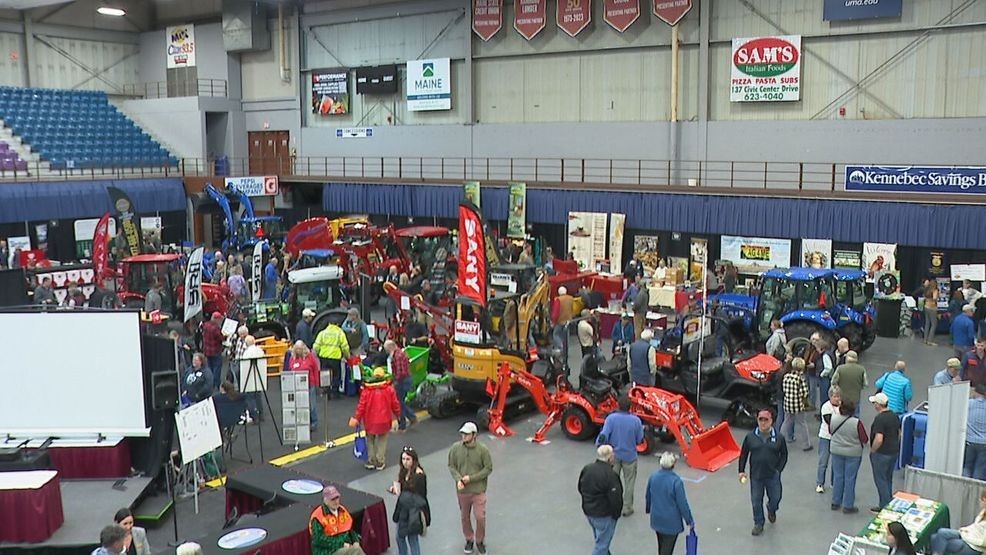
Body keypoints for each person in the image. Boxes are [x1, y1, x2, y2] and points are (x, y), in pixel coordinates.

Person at [738, 409, 788, 536]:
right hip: (756, 476)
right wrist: (741, 471)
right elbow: (743, 454)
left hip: (772, 475)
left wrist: (779, 469)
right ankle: (758, 523)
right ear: (757, 420)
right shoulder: (750, 437)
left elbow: (784, 454)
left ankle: (771, 509)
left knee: (776, 497)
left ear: (772, 421)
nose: (763, 422)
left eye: (766, 419)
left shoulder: (779, 437)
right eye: (761, 419)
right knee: (756, 501)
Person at [448, 422, 493, 554]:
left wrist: (471, 478)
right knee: (464, 517)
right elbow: (451, 465)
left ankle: (479, 540)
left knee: (480, 517)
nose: (463, 436)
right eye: (462, 433)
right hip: (463, 491)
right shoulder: (455, 448)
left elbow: (488, 468)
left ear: (474, 435)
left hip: (478, 490)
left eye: (467, 434)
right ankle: (469, 539)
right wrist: (458, 479)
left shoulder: (483, 450)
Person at [595, 395, 644, 516]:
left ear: (618, 405)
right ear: (630, 407)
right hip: (630, 456)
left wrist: (599, 444)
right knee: (629, 482)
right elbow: (640, 440)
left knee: (612, 482)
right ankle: (627, 507)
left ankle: (611, 505)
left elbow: (604, 435)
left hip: (614, 456)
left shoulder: (611, 419)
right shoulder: (636, 421)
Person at [349, 368, 400, 470]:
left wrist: (356, 418)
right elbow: (395, 404)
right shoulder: (389, 389)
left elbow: (361, 406)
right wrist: (397, 416)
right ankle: (380, 461)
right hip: (385, 420)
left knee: (370, 440)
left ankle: (371, 461)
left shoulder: (366, 391)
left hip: (370, 421)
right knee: (382, 440)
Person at [646, 452, 695, 555]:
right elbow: (683, 504)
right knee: (667, 549)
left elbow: (648, 495)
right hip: (671, 522)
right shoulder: (676, 482)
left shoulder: (653, 477)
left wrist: (648, 508)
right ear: (673, 464)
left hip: (657, 518)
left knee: (661, 545)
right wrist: (689, 520)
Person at [578, 444, 624, 555]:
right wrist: (616, 514)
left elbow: (580, 487)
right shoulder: (611, 475)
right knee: (602, 545)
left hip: (589, 512)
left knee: (600, 540)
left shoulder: (587, 469)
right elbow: (616, 498)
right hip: (604, 514)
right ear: (609, 458)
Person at [829, 401, 868, 514]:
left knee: (838, 476)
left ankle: (835, 502)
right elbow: (864, 438)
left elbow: (831, 431)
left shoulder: (834, 419)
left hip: (836, 451)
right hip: (853, 454)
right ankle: (848, 505)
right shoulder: (857, 423)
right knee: (850, 479)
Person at [390, 446, 430, 555]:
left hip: (413, 512)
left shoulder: (419, 476)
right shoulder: (404, 472)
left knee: (412, 539)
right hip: (403, 509)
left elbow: (420, 497)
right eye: (403, 459)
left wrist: (402, 493)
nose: (405, 462)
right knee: (399, 537)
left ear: (414, 460)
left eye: (408, 459)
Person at [310, 485, 365, 555]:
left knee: (356, 548)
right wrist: (341, 544)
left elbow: (350, 529)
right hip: (328, 551)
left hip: (346, 546)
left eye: (337, 498)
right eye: (332, 499)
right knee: (355, 551)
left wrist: (356, 541)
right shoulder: (318, 516)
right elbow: (318, 540)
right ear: (326, 501)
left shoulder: (342, 510)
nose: (336, 502)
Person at [869, 392, 901, 511]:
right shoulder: (894, 416)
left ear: (878, 405)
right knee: (888, 478)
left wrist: (873, 450)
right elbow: (899, 433)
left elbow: (879, 438)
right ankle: (887, 503)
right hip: (893, 452)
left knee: (880, 480)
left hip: (881, 453)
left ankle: (885, 506)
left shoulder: (879, 419)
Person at [929, 489, 986, 555]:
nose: (981, 502)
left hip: (974, 547)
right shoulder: (983, 512)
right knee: (941, 532)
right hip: (968, 535)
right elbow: (975, 525)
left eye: (983, 501)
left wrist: (966, 537)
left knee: (935, 539)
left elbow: (983, 543)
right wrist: (966, 528)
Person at [781, 357, 813, 452]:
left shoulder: (786, 376)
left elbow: (784, 390)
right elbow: (805, 393)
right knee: (802, 424)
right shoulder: (801, 379)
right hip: (798, 405)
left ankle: (778, 441)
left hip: (787, 404)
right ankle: (806, 445)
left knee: (786, 422)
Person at [386, 340, 418, 431]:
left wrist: (394, 382)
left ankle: (402, 426)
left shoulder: (398, 356)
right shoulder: (399, 353)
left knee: (399, 404)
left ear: (391, 347)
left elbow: (400, 373)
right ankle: (412, 418)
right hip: (405, 380)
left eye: (387, 350)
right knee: (401, 403)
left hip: (402, 382)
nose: (387, 353)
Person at [288, 340, 321, 430]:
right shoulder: (292, 358)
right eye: (297, 349)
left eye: (300, 348)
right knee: (300, 405)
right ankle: (303, 422)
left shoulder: (310, 357)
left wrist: (317, 384)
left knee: (311, 405)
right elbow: (289, 369)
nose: (298, 350)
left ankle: (314, 422)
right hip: (297, 385)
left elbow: (315, 370)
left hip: (310, 384)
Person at [314, 320, 351, 398]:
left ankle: (326, 391)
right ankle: (335, 392)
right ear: (337, 324)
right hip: (335, 357)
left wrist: (317, 354)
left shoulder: (322, 333)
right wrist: (347, 356)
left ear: (329, 323)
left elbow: (316, 346)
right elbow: (345, 347)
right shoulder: (340, 333)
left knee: (325, 374)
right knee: (336, 375)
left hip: (324, 356)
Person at [816, 385, 842, 494]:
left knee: (836, 462)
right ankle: (820, 483)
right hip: (826, 436)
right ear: (830, 396)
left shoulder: (842, 407)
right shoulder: (826, 407)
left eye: (838, 396)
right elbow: (830, 422)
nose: (837, 399)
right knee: (823, 461)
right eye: (835, 396)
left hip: (837, 438)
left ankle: (834, 482)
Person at [831, 350, 868, 415]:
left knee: (842, 414)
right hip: (855, 397)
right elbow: (865, 383)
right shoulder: (861, 369)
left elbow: (833, 381)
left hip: (842, 397)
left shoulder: (840, 368)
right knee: (855, 414)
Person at [240, 336, 267, 422]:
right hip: (259, 377)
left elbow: (244, 366)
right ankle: (261, 414)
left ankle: (254, 416)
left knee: (250, 398)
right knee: (258, 396)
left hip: (249, 378)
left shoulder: (246, 353)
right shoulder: (260, 350)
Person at [965, 385, 986, 481]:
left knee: (966, 467)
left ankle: (963, 490)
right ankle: (975, 494)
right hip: (984, 443)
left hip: (969, 441)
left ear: (977, 393)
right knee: (979, 470)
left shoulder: (969, 404)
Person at [202, 312, 225, 380]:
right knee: (217, 368)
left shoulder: (205, 325)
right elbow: (220, 338)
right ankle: (215, 385)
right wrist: (224, 336)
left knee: (210, 367)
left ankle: (210, 382)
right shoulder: (215, 328)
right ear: (216, 319)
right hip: (215, 351)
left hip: (207, 351)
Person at [551, 286, 575, 351]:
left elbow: (556, 312)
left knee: (556, 335)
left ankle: (561, 347)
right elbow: (573, 309)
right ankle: (566, 349)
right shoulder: (571, 298)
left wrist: (553, 321)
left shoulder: (558, 300)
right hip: (568, 320)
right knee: (566, 336)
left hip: (560, 321)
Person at [923, 277, 941, 346]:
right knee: (934, 324)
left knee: (927, 323)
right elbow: (935, 298)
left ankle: (925, 339)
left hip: (926, 306)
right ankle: (930, 341)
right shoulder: (935, 290)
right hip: (932, 307)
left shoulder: (927, 289)